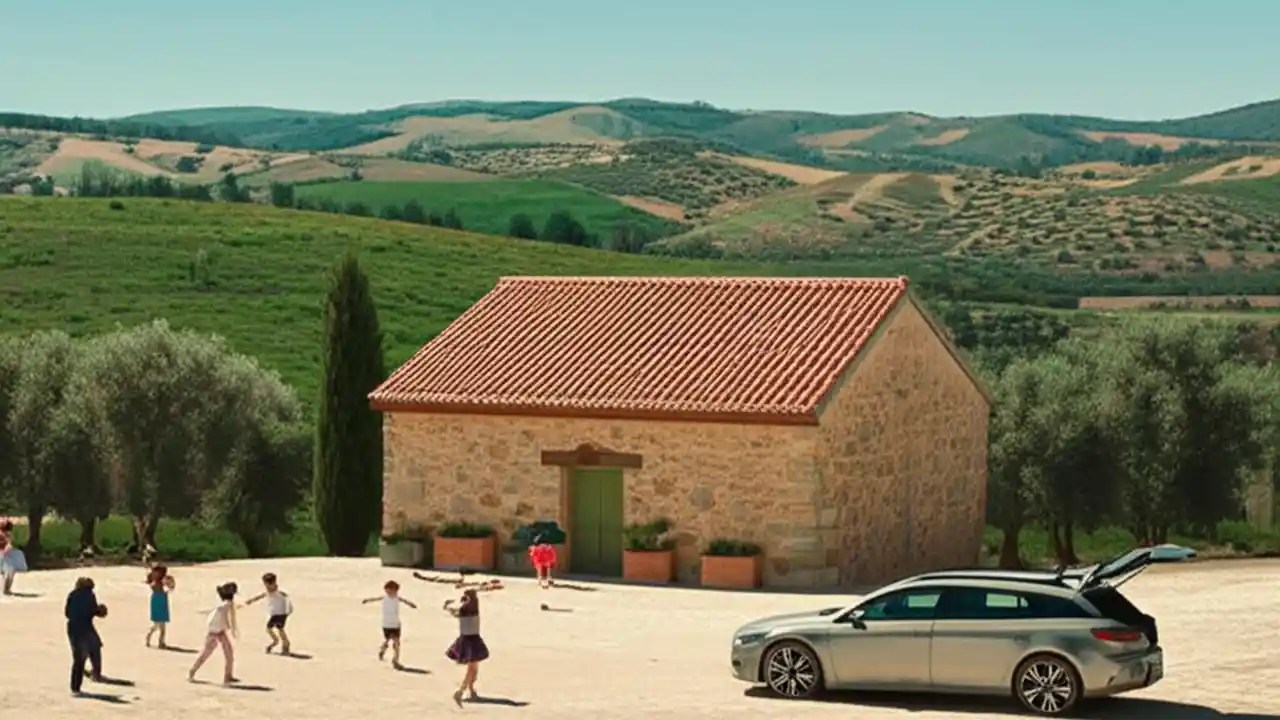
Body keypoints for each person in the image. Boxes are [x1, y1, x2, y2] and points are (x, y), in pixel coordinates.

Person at [443, 583, 502, 707]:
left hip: (470, 639)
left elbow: (457, 609)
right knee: (472, 669)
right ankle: (461, 690)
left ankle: (470, 689)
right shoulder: (469, 607)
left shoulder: (467, 607)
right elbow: (467, 604)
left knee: (474, 669)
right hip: (470, 640)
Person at [189, 582, 239, 686]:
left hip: (219, 630)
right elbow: (227, 615)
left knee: (228, 653)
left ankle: (228, 676)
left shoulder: (225, 603)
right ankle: (192, 671)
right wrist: (231, 628)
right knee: (207, 653)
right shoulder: (226, 604)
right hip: (215, 630)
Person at [361, 580, 416, 670]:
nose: (390, 593)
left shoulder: (397, 598)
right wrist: (367, 600)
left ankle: (395, 660)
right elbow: (375, 598)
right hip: (386, 624)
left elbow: (405, 601)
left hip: (396, 624)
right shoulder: (384, 598)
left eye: (392, 591)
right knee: (387, 640)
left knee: (396, 642)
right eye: (388, 591)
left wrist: (411, 604)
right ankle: (382, 650)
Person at [65, 577, 105, 696]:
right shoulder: (89, 595)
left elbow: (67, 613)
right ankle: (93, 675)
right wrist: (98, 611)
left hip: (74, 627)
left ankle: (79, 685)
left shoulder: (72, 595)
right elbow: (92, 610)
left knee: (81, 656)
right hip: (84, 627)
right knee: (91, 650)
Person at [245, 572, 293, 655]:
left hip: (278, 614)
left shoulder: (278, 592)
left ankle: (277, 641)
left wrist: (288, 609)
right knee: (280, 629)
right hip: (279, 614)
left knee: (269, 629)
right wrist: (251, 600)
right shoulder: (270, 591)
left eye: (266, 584)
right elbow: (262, 595)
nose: (266, 586)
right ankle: (285, 644)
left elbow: (286, 597)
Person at [145, 565, 175, 648]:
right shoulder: (158, 580)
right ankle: (157, 641)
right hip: (159, 599)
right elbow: (170, 587)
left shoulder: (156, 580)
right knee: (159, 624)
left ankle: (158, 641)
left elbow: (170, 587)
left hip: (159, 599)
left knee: (160, 624)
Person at [0, 521, 27, 596]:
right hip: (5, 555)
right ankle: (6, 589)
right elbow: (9, 545)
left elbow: (9, 545)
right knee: (8, 573)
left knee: (8, 573)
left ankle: (6, 589)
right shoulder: (5, 535)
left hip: (6, 555)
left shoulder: (7, 535)